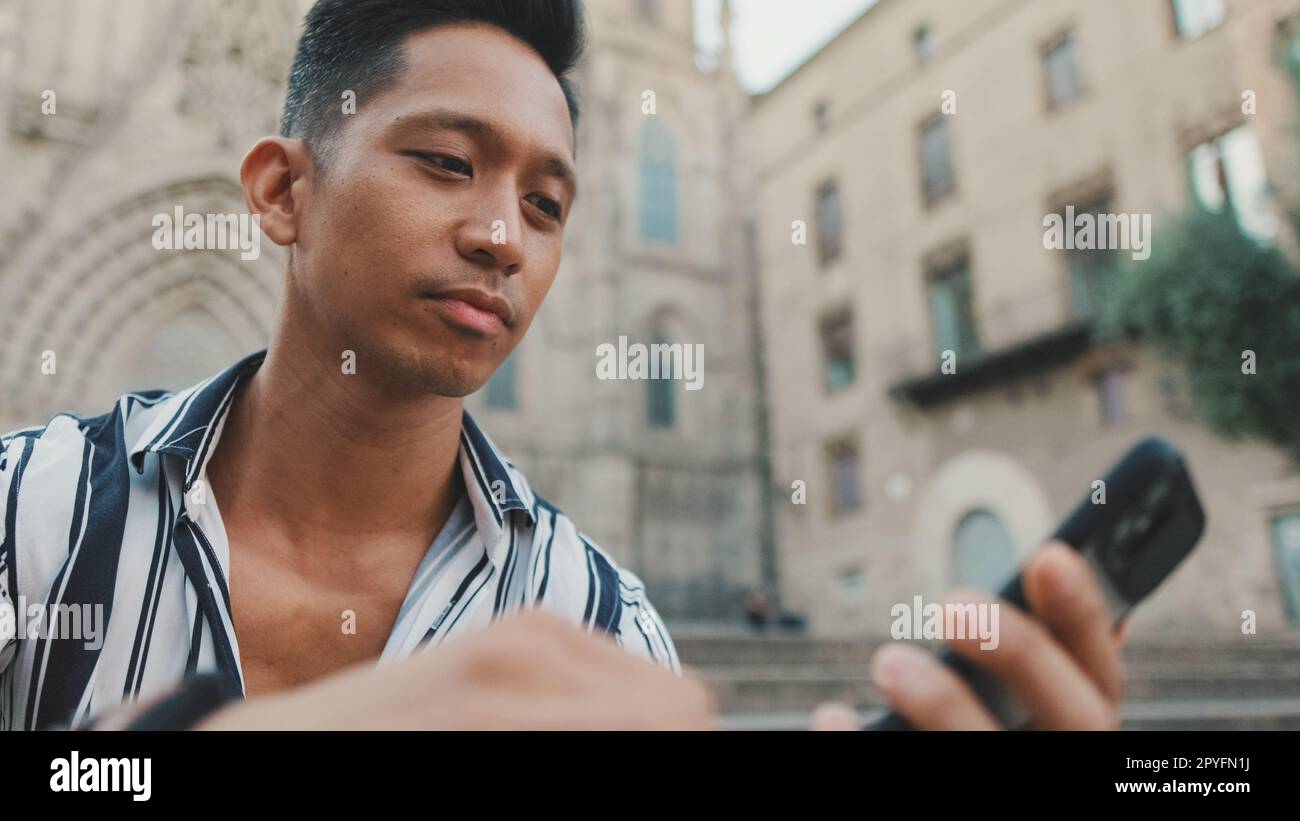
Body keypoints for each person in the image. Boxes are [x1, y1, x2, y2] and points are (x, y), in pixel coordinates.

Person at [0, 0, 1125, 731]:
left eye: (547, 203)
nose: (504, 237)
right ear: (283, 191)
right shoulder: (26, 516)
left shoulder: (600, 625)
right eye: (446, 161)